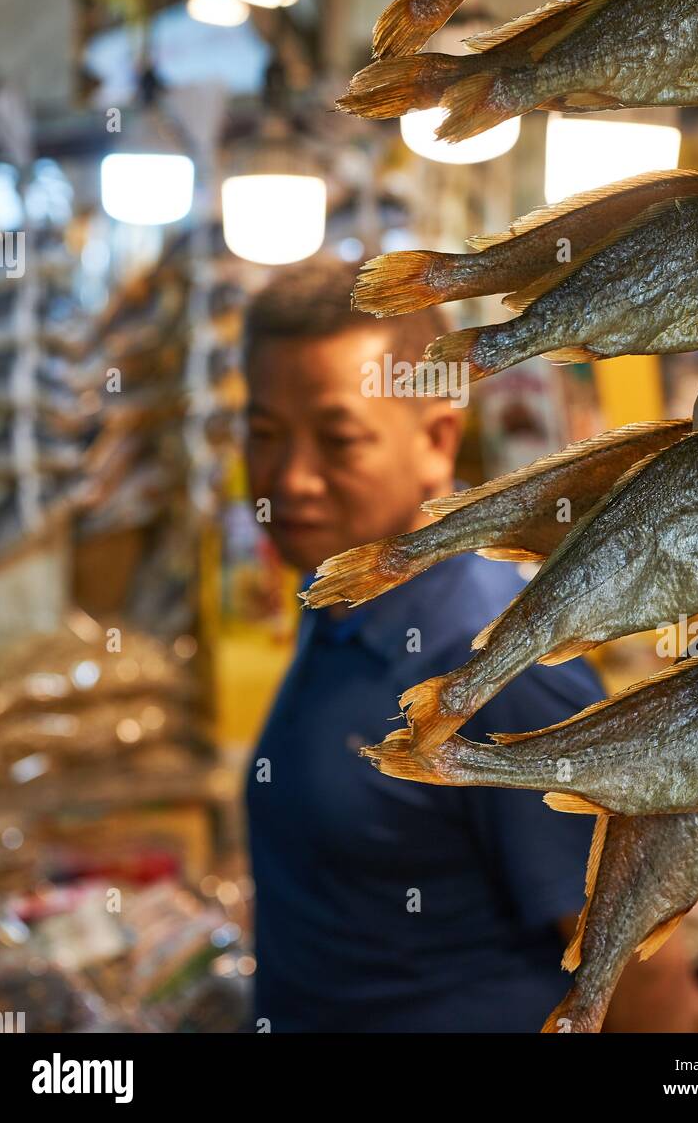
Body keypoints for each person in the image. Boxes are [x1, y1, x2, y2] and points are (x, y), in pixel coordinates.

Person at [243, 255, 607, 1033]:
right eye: (264, 433)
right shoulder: (338, 602)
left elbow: (641, 976)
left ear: (437, 438)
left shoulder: (496, 665)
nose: (290, 479)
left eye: (338, 442)